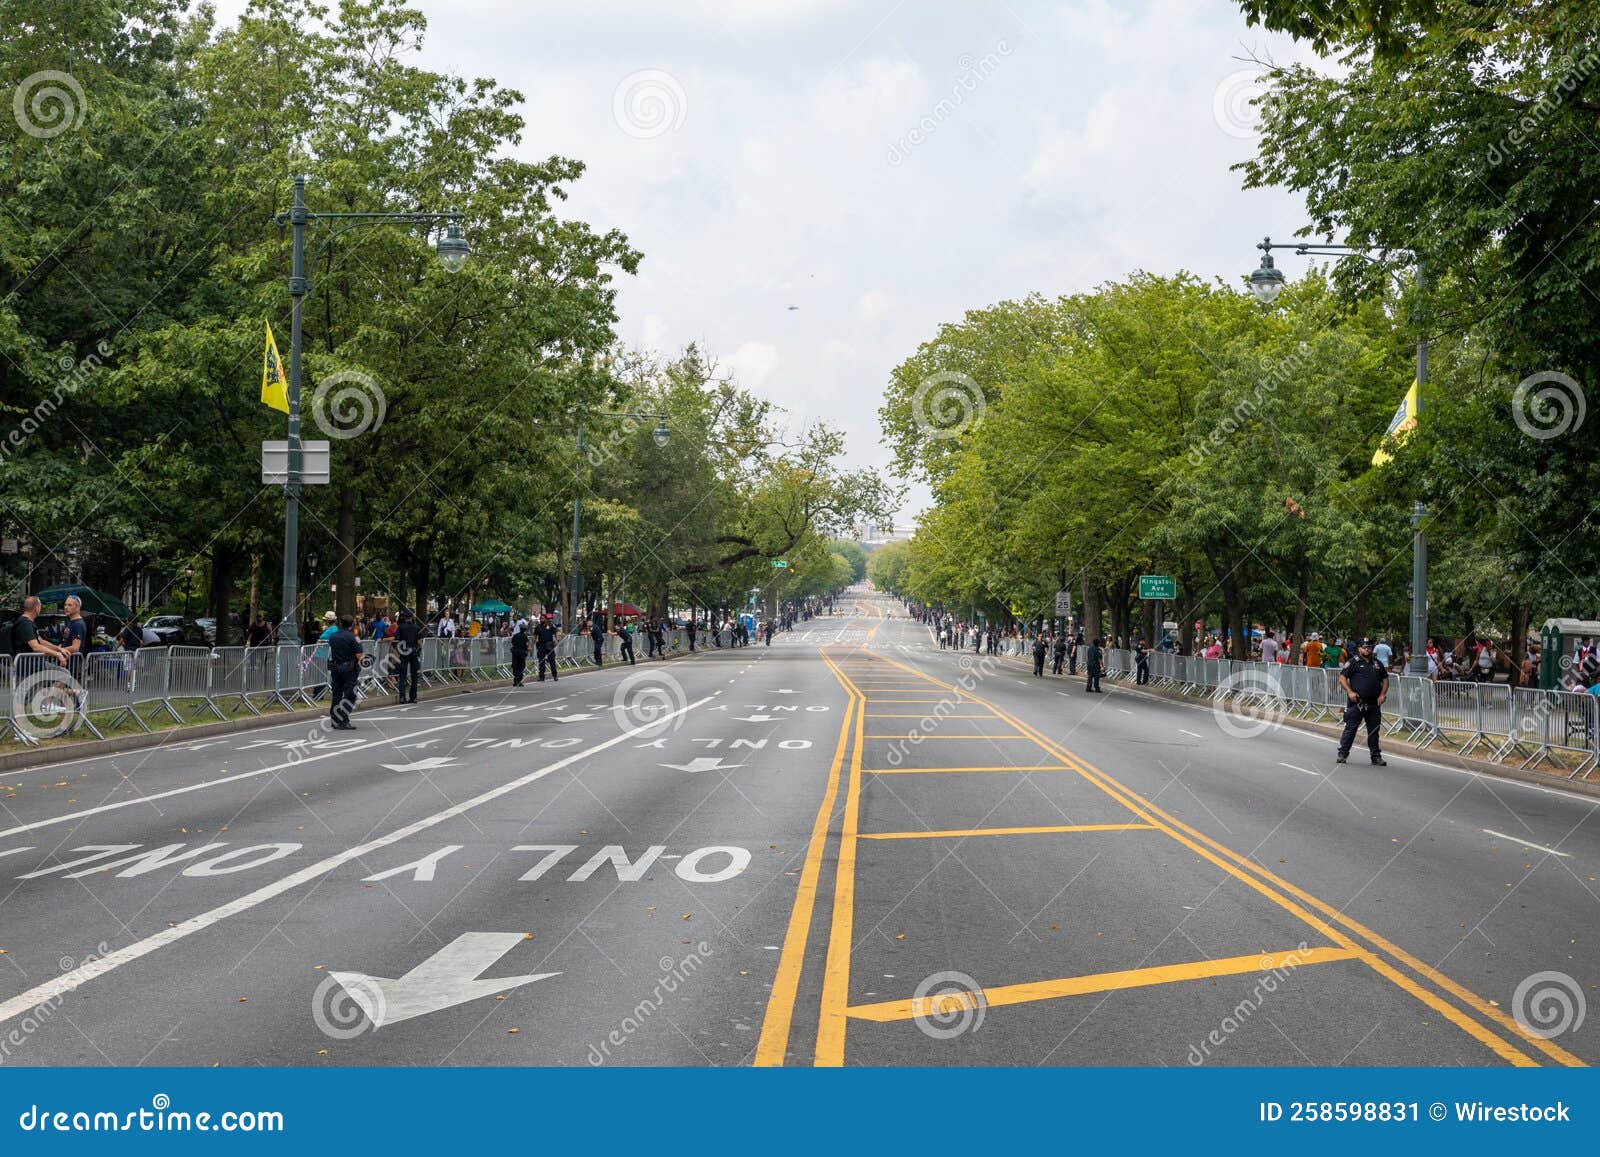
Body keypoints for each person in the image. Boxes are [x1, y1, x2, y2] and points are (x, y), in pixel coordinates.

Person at [1336, 637, 1388, 766]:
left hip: (1374, 703)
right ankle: (1342, 753)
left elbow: (1385, 679)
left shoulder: (1377, 663)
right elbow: (1342, 678)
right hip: (1357, 702)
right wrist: (1349, 691)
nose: (1367, 649)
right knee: (1351, 729)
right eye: (1364, 647)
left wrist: (1382, 694)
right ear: (1359, 648)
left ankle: (1375, 757)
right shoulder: (1353, 662)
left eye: (1369, 647)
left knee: (1374, 731)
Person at [326, 614, 362, 730]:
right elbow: (359, 655)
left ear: (340, 623)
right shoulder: (353, 637)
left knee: (336, 693)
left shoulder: (333, 636)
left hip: (335, 667)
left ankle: (334, 719)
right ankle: (343, 719)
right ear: (352, 624)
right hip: (349, 668)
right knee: (350, 694)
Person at [393, 608, 422, 702]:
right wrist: (417, 651)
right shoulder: (416, 627)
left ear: (405, 617)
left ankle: (402, 697)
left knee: (402, 676)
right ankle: (413, 697)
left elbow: (396, 639)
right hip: (413, 652)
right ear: (412, 617)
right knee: (414, 676)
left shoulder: (401, 627)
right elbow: (419, 642)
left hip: (404, 652)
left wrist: (398, 650)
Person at [535, 615, 560, 682]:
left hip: (549, 645)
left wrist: (557, 640)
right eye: (540, 618)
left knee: (552, 661)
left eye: (543, 618)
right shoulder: (538, 627)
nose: (541, 620)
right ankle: (541, 677)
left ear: (546, 619)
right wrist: (535, 642)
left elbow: (556, 632)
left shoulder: (550, 625)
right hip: (541, 645)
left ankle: (555, 676)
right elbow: (535, 635)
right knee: (541, 662)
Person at [510, 617, 530, 686]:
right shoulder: (525, 637)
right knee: (521, 667)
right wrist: (527, 650)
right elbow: (527, 645)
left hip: (515, 652)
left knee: (515, 666)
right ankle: (519, 681)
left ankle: (515, 681)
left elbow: (512, 643)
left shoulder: (515, 636)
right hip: (522, 653)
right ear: (524, 630)